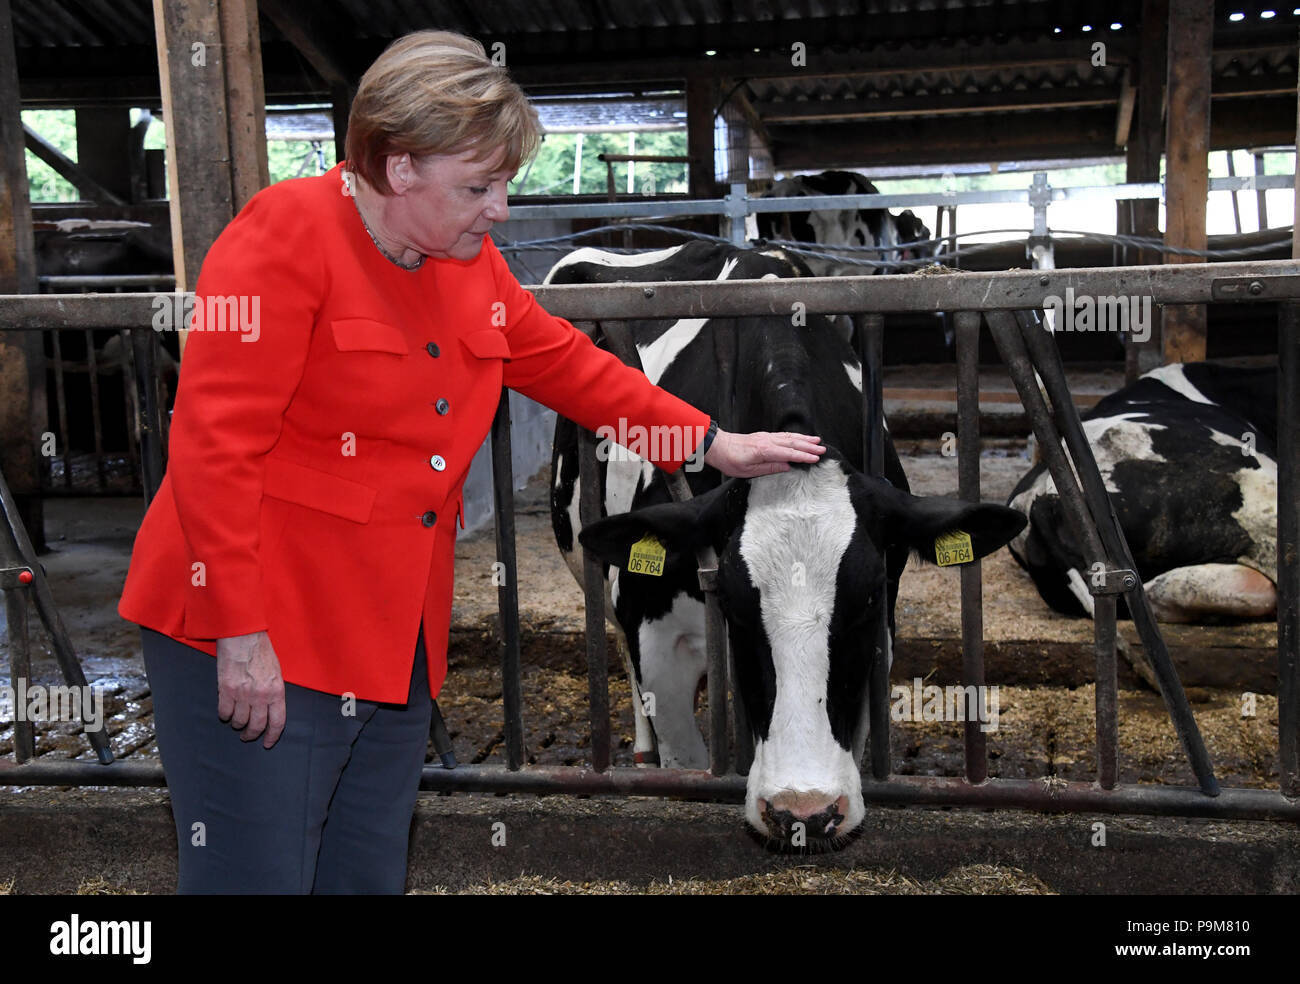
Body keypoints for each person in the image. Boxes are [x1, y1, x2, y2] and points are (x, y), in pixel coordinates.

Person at [117, 30, 825, 894]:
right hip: (264, 624)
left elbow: (571, 366)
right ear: (398, 165)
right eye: (478, 187)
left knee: (365, 872)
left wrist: (713, 442)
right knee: (254, 876)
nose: (498, 211)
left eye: (504, 186)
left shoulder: (466, 264)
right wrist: (241, 632)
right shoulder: (280, 242)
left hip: (388, 633)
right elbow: (211, 446)